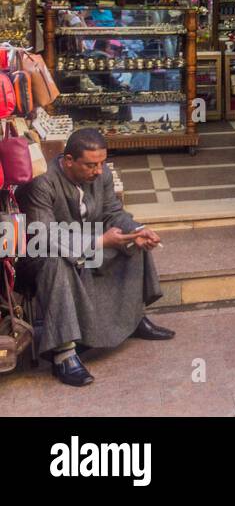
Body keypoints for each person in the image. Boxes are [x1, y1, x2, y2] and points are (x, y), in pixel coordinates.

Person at [17, 128, 172, 387]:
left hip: (86, 240)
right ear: (68, 161)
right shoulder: (42, 182)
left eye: (101, 163)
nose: (99, 171)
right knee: (56, 263)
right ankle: (64, 353)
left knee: (131, 239)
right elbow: (43, 236)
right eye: (91, 165)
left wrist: (136, 230)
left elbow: (113, 211)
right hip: (41, 254)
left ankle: (133, 318)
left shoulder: (102, 173)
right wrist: (99, 242)